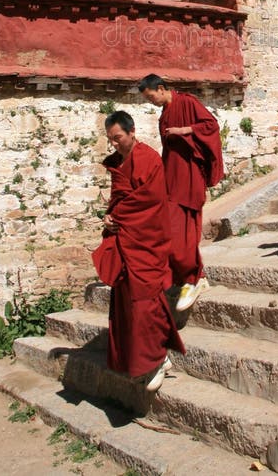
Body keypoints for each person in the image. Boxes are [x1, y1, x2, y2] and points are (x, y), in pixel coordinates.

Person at [93, 110, 185, 391]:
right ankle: (152, 358)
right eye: (110, 140)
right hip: (126, 242)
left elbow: (149, 203)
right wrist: (109, 218)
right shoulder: (120, 164)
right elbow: (120, 200)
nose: (114, 144)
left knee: (145, 303)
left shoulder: (149, 160)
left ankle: (155, 359)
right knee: (127, 304)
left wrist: (119, 217)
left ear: (132, 132)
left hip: (148, 241)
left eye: (118, 138)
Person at [138, 74, 224, 311]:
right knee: (170, 229)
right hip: (171, 177)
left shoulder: (187, 102)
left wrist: (185, 130)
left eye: (151, 96)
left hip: (189, 177)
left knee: (181, 231)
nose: (151, 102)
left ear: (162, 88)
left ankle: (193, 279)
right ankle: (190, 277)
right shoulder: (163, 115)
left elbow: (211, 125)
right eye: (148, 99)